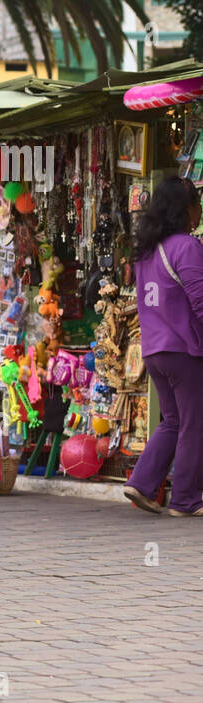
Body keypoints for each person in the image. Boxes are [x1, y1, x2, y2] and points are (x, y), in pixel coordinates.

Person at [124, 176, 203, 516]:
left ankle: (141, 483)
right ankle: (185, 499)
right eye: (197, 205)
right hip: (183, 349)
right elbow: (201, 300)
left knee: (172, 420)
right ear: (186, 209)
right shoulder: (186, 246)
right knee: (193, 423)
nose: (199, 212)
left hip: (154, 349)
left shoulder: (145, 252)